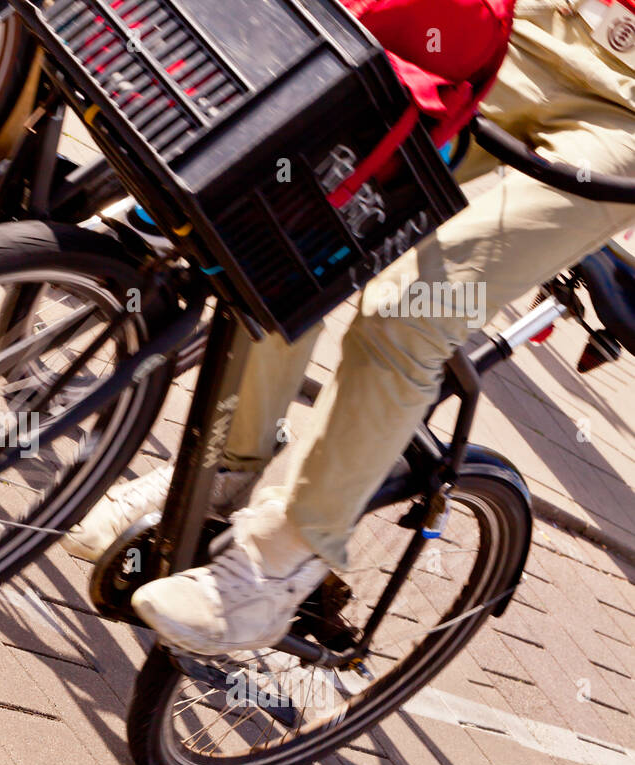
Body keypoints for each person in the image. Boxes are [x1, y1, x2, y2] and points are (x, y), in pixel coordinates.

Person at [63, 0, 635, 657]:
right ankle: (233, 461)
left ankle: (280, 562)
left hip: (623, 117)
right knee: (296, 203)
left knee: (411, 311)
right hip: (527, 24)